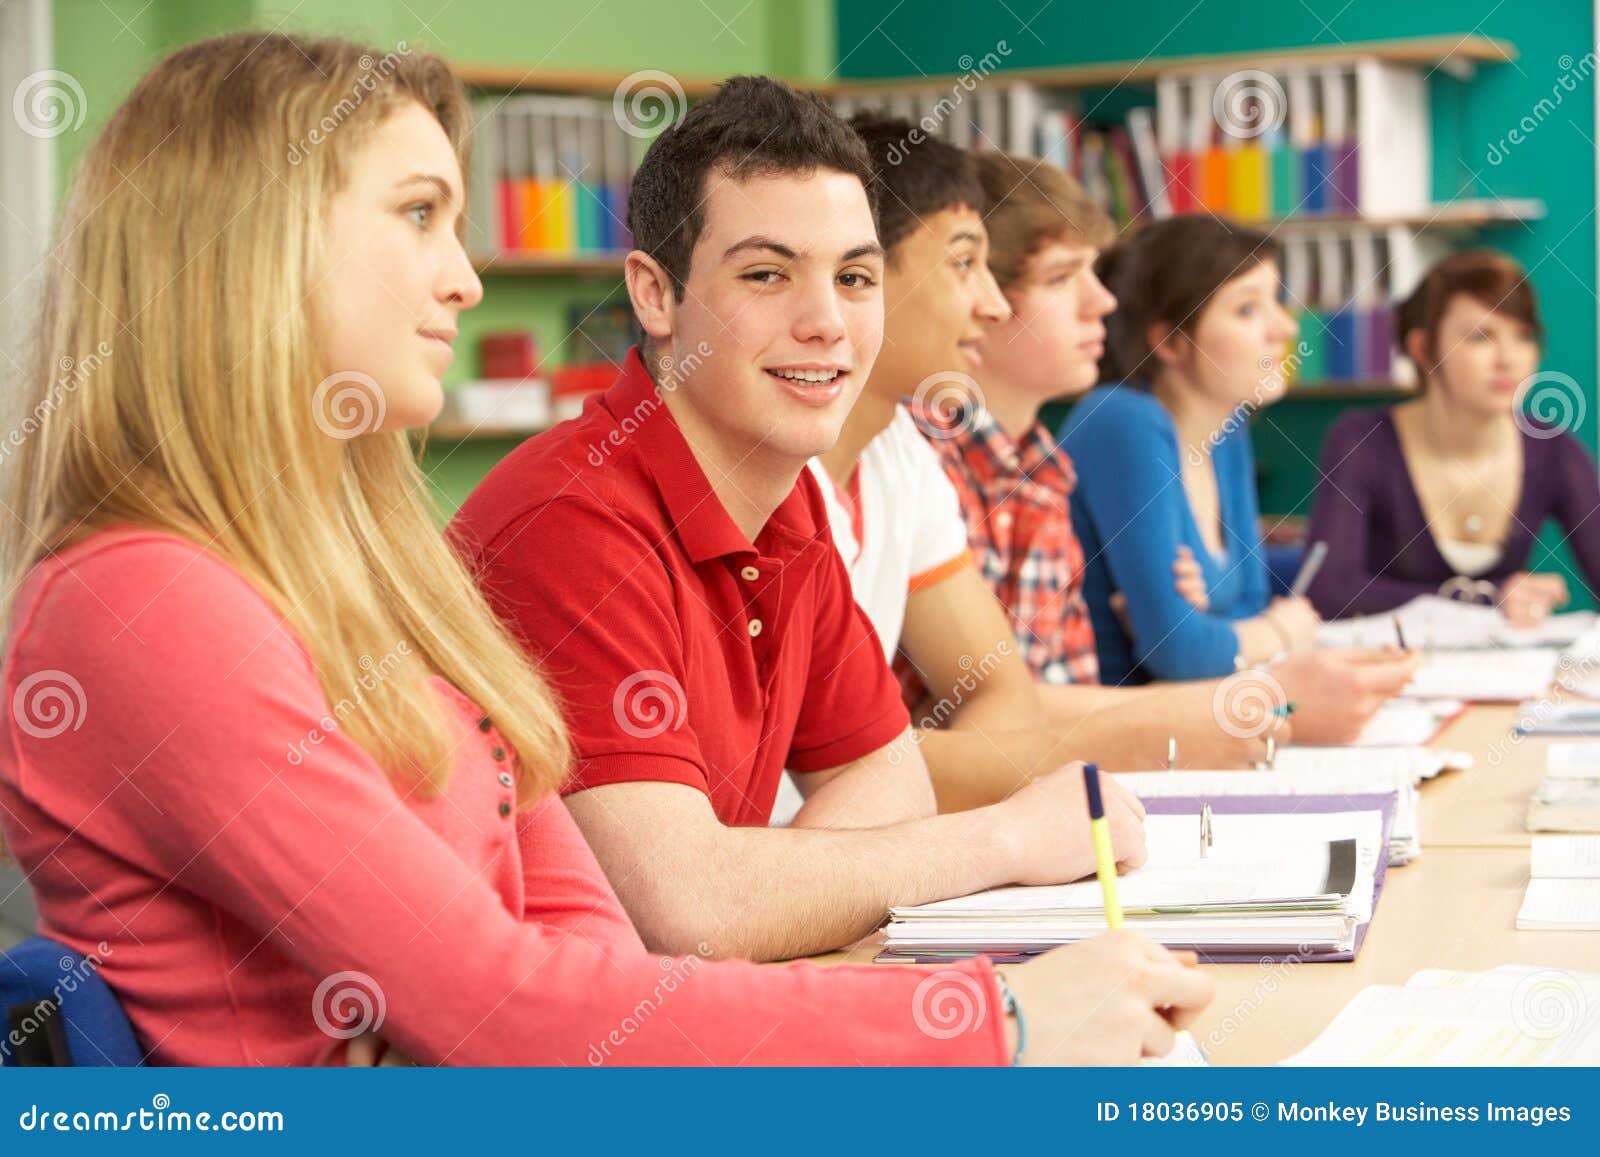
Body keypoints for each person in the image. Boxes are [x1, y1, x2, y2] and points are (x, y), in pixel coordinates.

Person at [0, 33, 1209, 1067]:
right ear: (243, 244)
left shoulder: (380, 576)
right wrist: (988, 1017)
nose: (467, 278)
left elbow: (588, 955)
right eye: (419, 214)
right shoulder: (139, 600)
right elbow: (496, 1002)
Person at [450, 77, 1152, 965]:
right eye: (767, 274)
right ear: (656, 295)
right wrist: (1006, 837)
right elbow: (690, 911)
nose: (826, 322)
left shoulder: (789, 499)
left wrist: (773, 889)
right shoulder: (571, 521)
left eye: (854, 276)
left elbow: (886, 780)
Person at [887, 149, 1413, 773]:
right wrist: (1264, 687)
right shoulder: (1109, 423)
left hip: (1084, 784)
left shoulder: (1042, 462)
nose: (1101, 303)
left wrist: (1240, 651)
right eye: (1061, 279)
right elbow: (1172, 653)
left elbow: (1222, 617)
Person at [1064, 215, 1321, 684]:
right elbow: (1178, 654)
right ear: (1169, 341)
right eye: (1248, 310)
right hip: (1109, 730)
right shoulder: (1122, 421)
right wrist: (1282, 630)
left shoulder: (1227, 427)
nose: (1283, 328)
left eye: (1277, 302)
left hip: (1188, 722)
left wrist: (1215, 632)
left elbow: (1247, 605)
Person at [1305, 249, 1600, 623]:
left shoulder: (1554, 449)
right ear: (1423, 349)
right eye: (1481, 337)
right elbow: (1328, 592)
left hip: (1508, 676)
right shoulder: (1361, 441)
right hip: (1384, 668)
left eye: (1523, 335)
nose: (1508, 358)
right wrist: (1487, 599)